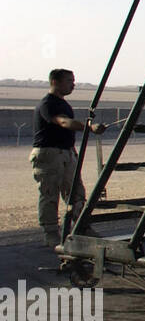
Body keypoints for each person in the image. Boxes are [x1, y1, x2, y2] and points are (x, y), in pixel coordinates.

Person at [31, 69, 105, 248]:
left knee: (76, 192)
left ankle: (81, 228)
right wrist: (88, 127)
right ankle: (51, 234)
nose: (73, 84)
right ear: (55, 82)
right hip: (49, 154)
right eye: (69, 81)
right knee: (49, 194)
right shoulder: (48, 104)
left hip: (66, 153)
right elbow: (64, 122)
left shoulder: (64, 104)